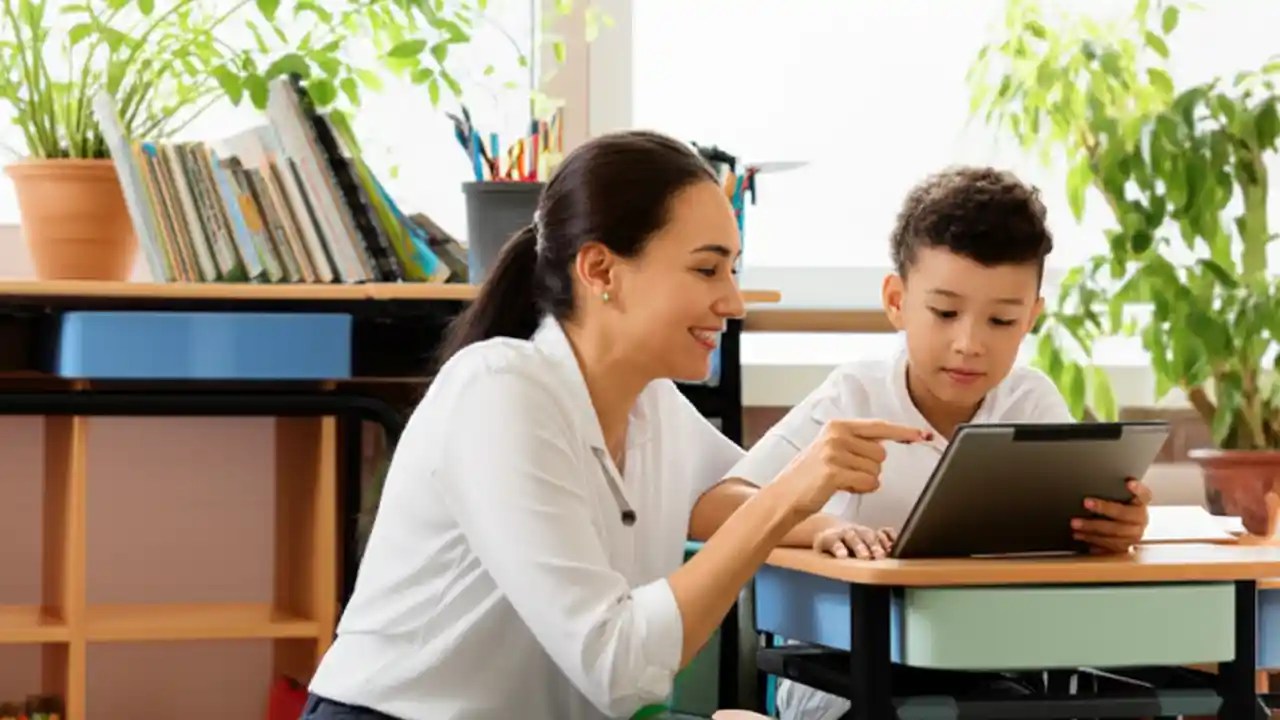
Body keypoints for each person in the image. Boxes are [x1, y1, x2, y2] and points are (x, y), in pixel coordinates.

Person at [302, 130, 930, 720]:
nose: (734, 302)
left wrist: (836, 526)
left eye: (733, 270)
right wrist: (788, 499)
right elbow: (618, 665)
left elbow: (722, 499)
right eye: (707, 269)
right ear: (600, 270)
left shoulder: (651, 404)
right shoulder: (500, 392)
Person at [722, 166, 1155, 720]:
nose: (969, 343)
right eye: (945, 313)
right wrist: (827, 527)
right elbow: (719, 505)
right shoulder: (854, 395)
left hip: (994, 677)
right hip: (850, 685)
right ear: (897, 300)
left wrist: (1115, 527)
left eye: (1002, 319)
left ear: (1031, 319)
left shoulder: (1032, 402)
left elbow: (1073, 534)